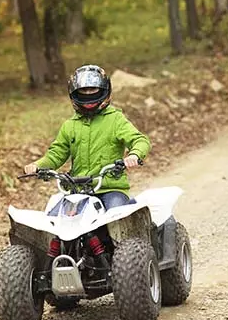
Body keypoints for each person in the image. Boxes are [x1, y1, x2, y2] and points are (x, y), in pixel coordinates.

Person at [24, 64, 151, 214]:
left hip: (110, 188)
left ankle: (133, 236)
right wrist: (37, 165)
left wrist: (134, 155)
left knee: (118, 218)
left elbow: (140, 140)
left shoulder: (115, 119)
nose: (89, 94)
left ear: (105, 91)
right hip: (77, 190)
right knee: (52, 220)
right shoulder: (70, 126)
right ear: (74, 94)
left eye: (93, 89)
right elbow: (56, 154)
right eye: (84, 90)